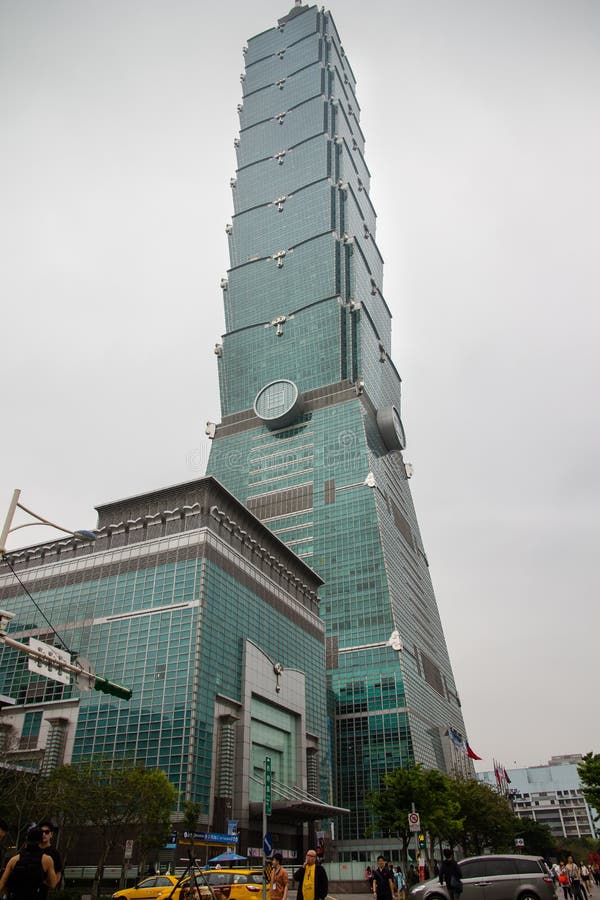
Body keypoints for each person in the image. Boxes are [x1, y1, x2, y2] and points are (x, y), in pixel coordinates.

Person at [0, 826, 59, 900]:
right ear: (40, 841)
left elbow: (2, 883)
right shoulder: (47, 860)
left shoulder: (14, 859)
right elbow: (53, 884)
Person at [36, 821, 62, 898]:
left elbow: (58, 873)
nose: (44, 834)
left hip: (44, 891)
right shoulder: (32, 849)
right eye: (41, 832)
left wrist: (51, 885)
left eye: (47, 832)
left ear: (51, 834)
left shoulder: (54, 853)